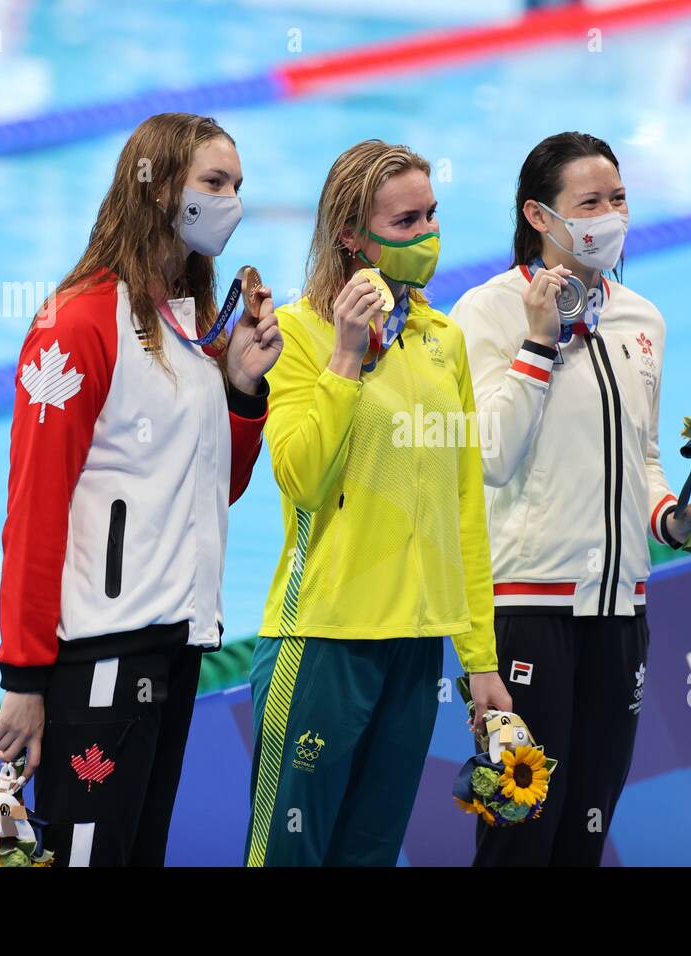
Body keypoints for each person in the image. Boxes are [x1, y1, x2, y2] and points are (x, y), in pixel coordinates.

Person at [0, 112, 282, 866]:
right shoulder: (79, 322)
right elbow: (34, 506)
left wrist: (245, 390)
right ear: (156, 190)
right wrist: (23, 675)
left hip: (175, 643)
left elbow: (209, 494)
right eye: (213, 183)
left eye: (238, 185)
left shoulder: (182, 324)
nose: (233, 202)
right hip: (101, 653)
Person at [450, 131, 691, 866]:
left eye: (618, 198)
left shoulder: (642, 319)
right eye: (590, 202)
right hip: (526, 607)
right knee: (518, 835)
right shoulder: (486, 313)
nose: (610, 214)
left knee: (585, 831)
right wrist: (540, 343)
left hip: (620, 612)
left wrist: (673, 518)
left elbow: (641, 455)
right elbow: (488, 456)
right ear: (540, 216)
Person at [244, 139, 510, 867]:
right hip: (324, 640)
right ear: (351, 237)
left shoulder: (441, 339)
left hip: (415, 650)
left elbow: (464, 509)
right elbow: (299, 477)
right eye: (405, 223)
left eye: (431, 216)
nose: (426, 236)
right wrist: (346, 357)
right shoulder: (296, 333)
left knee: (368, 857)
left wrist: (478, 659)